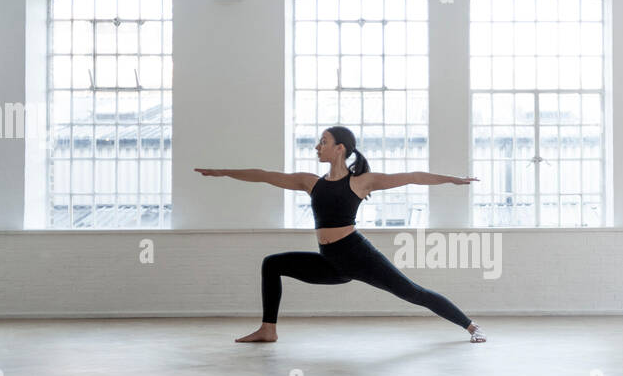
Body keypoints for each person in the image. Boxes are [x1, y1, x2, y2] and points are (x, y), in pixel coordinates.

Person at [195, 125, 487, 343]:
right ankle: (268, 329)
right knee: (272, 263)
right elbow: (264, 175)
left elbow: (413, 176)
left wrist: (453, 180)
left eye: (323, 142)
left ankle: (470, 326)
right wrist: (222, 172)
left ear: (340, 148)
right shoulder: (310, 182)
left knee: (413, 292)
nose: (317, 147)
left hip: (358, 256)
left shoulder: (361, 182)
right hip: (330, 261)